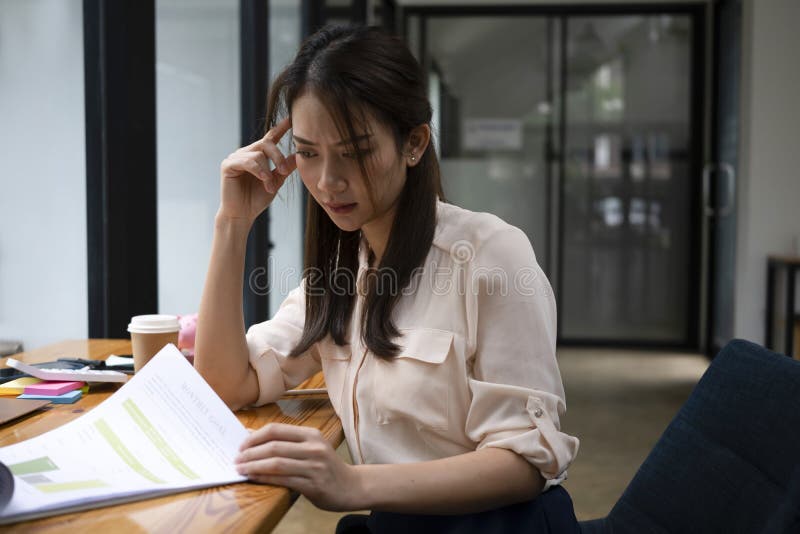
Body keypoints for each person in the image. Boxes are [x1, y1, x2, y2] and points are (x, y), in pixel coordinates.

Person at [194, 23, 580, 533]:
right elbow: (225, 385)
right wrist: (232, 224)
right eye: (308, 153)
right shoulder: (340, 272)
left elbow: (525, 462)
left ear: (413, 143)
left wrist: (352, 484)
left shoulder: (490, 255)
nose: (328, 181)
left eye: (354, 152)